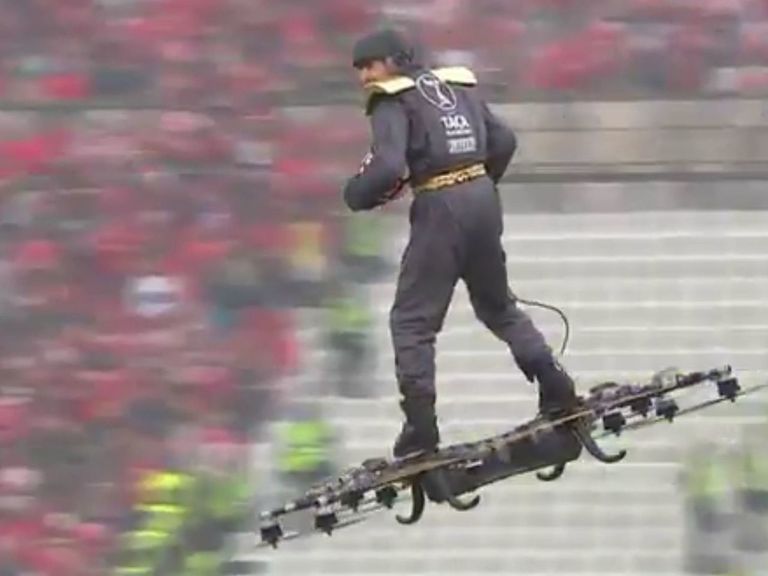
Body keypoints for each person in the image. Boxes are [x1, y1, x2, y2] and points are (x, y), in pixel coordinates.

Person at [342, 28, 580, 459]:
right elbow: (504, 141)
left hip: (440, 208)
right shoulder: (457, 84)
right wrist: (479, 183)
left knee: (412, 322)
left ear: (393, 61)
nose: (364, 77)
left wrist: (357, 194)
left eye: (369, 65)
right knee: (498, 308)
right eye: (359, 69)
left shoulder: (391, 98)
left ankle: (420, 430)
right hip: (482, 197)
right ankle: (556, 384)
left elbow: (389, 164)